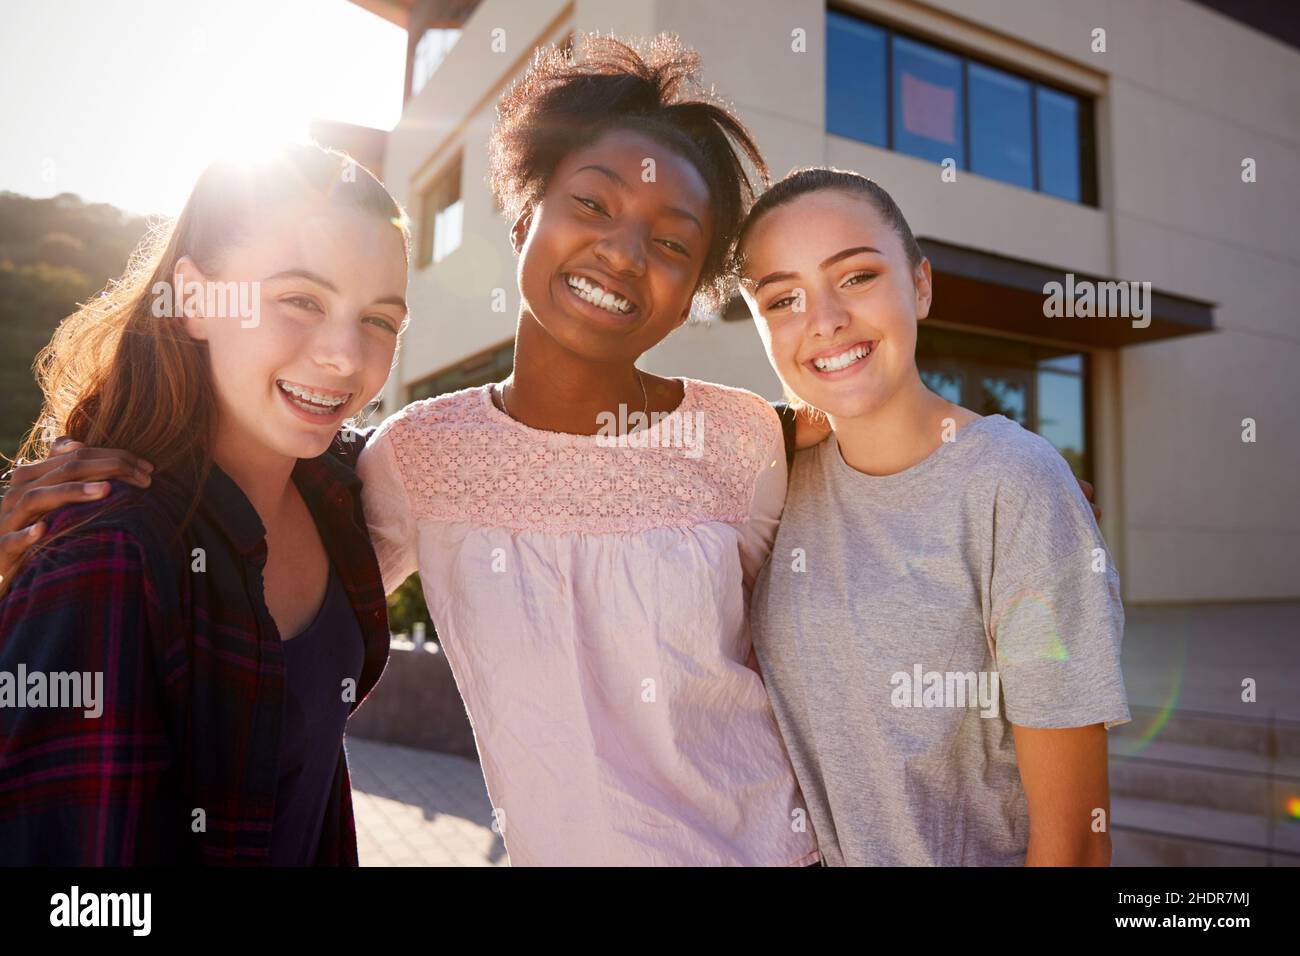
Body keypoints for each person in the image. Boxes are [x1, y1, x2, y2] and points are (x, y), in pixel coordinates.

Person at [0, 143, 408, 864]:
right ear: (192, 300)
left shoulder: (342, 495)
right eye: (300, 300)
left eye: (379, 319)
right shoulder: (109, 549)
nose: (345, 356)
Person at [736, 167, 1130, 866]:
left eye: (855, 277)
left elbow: (1074, 843)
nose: (824, 319)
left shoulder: (1017, 485)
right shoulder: (772, 483)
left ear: (919, 285)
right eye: (784, 299)